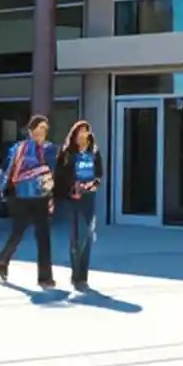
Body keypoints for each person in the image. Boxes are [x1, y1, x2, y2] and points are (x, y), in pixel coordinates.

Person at [0, 115, 58, 289]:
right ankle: (3, 260)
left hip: (42, 197)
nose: (41, 133)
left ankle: (45, 278)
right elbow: (9, 170)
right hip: (21, 198)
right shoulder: (18, 149)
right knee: (17, 234)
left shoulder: (50, 149)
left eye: (44, 130)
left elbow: (55, 171)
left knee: (43, 237)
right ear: (30, 131)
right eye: (38, 129)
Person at [56, 120, 103, 291]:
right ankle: (75, 275)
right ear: (74, 135)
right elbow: (59, 174)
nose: (83, 135)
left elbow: (99, 174)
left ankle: (83, 276)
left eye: (86, 132)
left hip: (89, 197)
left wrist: (91, 185)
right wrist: (72, 186)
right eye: (80, 132)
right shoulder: (68, 153)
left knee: (87, 236)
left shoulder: (94, 153)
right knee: (78, 237)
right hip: (73, 199)